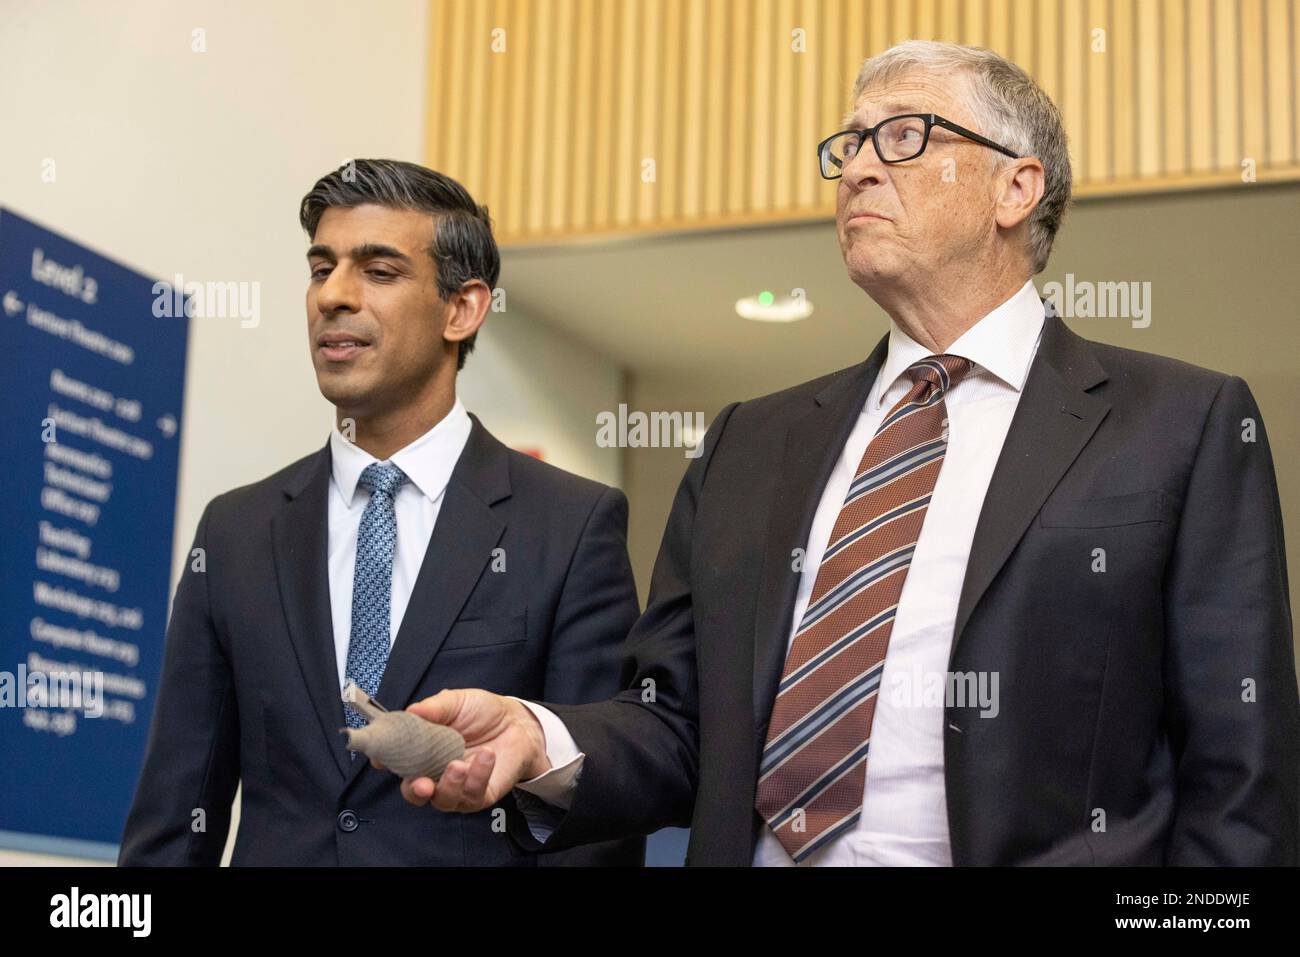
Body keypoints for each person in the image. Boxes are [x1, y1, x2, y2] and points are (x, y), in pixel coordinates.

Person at [388, 41, 1299, 866]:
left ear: (1016, 188)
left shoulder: (1181, 424)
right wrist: (541, 740)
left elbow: (1242, 781)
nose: (857, 167)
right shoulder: (748, 442)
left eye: (902, 136)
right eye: (849, 144)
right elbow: (680, 727)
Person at [119, 160, 643, 866]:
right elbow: (175, 814)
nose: (333, 295)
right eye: (321, 268)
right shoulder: (236, 531)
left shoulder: (571, 525)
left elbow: (596, 825)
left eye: (379, 270)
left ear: (463, 309)